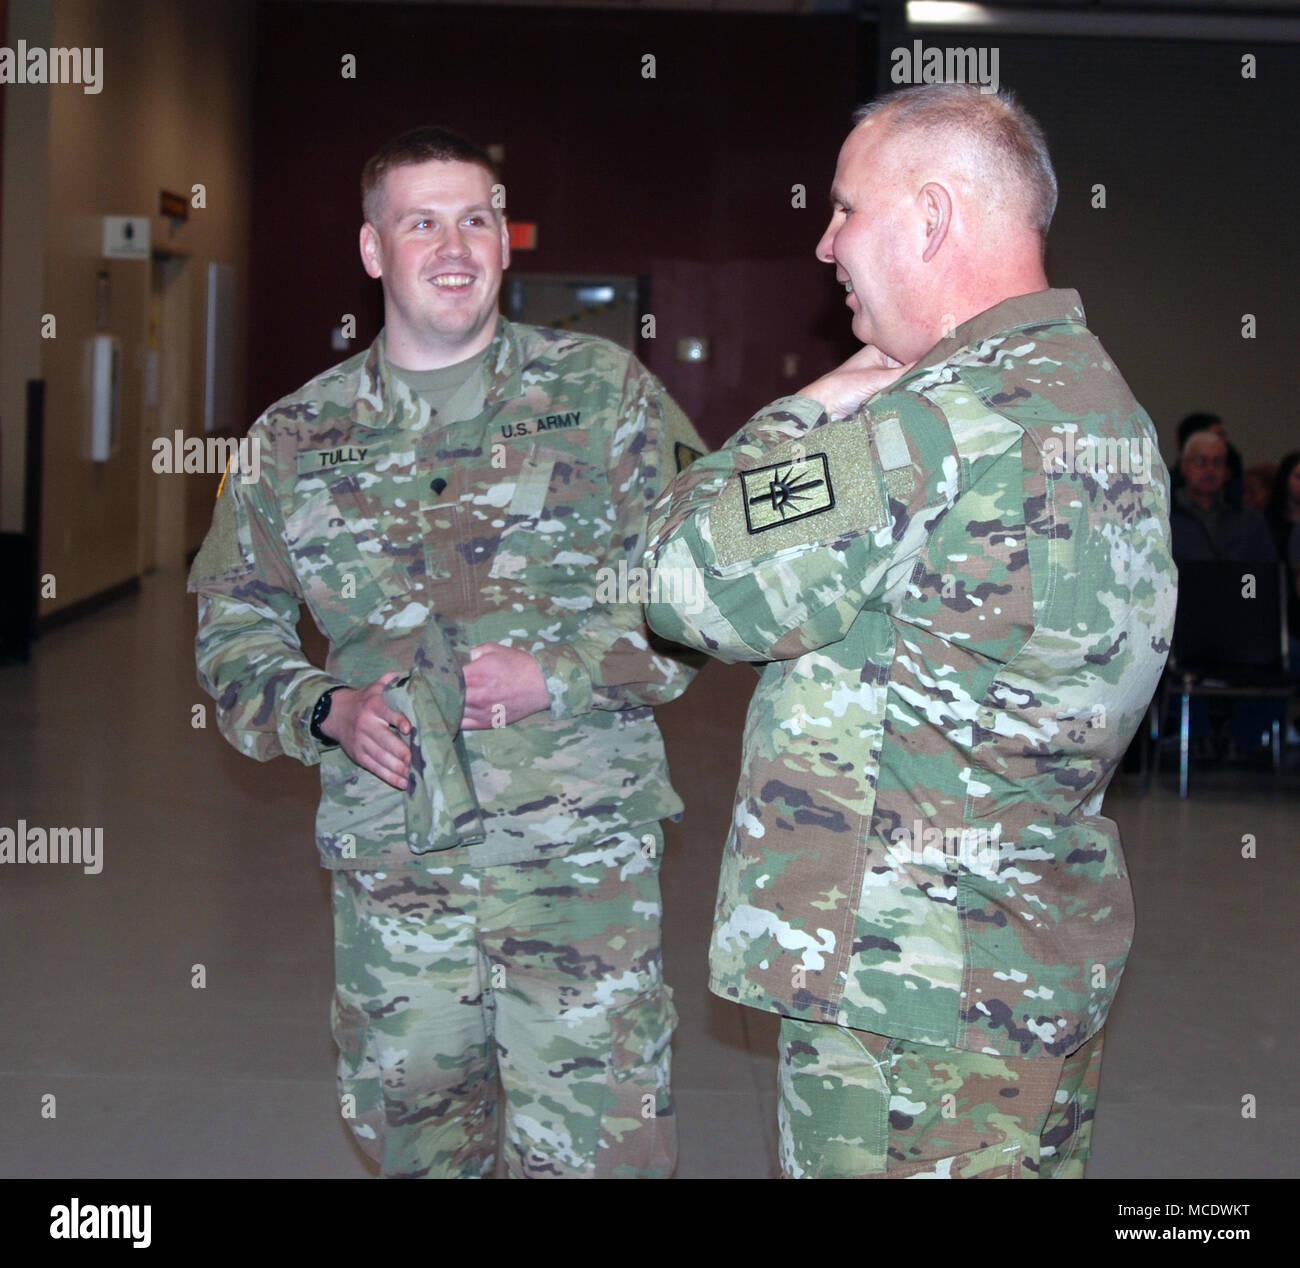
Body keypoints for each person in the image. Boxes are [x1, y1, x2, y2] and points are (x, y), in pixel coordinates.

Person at [644, 84, 1175, 1179]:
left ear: (930, 219)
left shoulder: (930, 424)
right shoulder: (1104, 407)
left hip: (905, 1007)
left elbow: (676, 574)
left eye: (846, 209)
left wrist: (815, 404)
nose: (823, 240)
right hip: (1031, 973)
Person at [188, 126, 706, 1178]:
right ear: (374, 250)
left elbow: (697, 595)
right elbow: (232, 620)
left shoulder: (605, 396)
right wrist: (324, 706)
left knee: (601, 1150)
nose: (455, 244)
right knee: (420, 1146)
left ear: (505, 243)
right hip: (396, 870)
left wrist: (557, 669)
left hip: (580, 865)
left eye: (477, 217)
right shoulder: (296, 436)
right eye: (421, 221)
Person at [1170, 430, 1275, 563]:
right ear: (1183, 466)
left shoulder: (1250, 521)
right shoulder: (1163, 518)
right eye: (1201, 461)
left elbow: (1265, 573)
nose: (1210, 469)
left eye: (1218, 462)